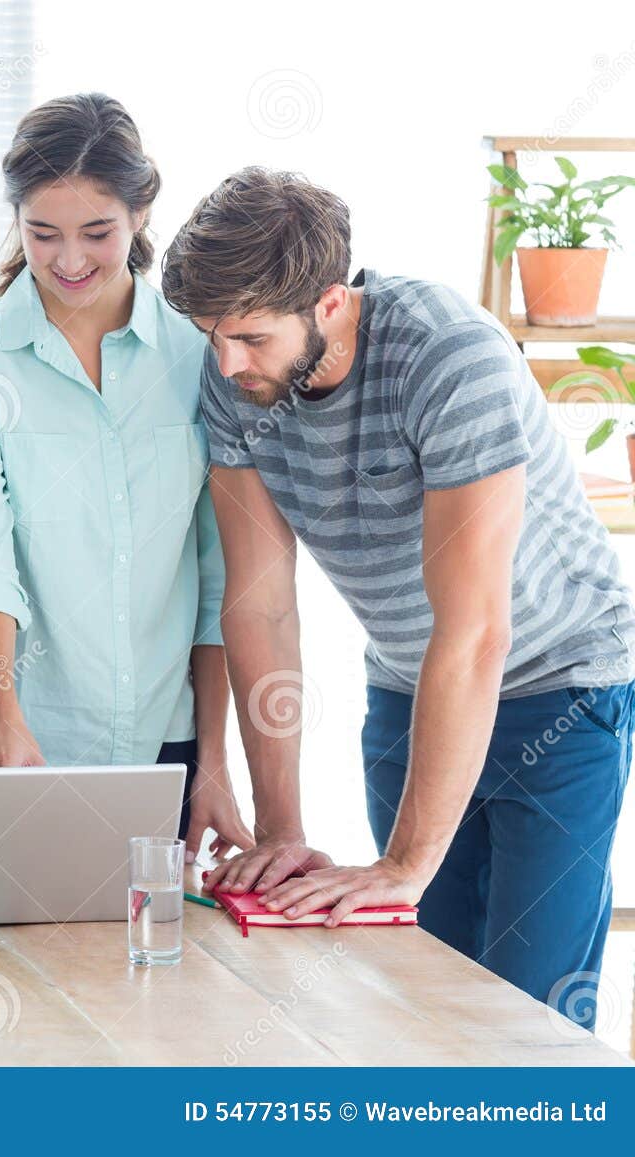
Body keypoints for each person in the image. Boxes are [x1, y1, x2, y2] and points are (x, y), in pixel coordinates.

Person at [161, 166, 635, 1026]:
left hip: (561, 686)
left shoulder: (449, 356)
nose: (227, 363)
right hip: (410, 687)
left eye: (251, 337)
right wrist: (281, 833)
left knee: (529, 1009)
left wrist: (406, 865)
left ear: (332, 304)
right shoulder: (234, 379)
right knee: (429, 991)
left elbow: (477, 628)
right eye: (210, 335)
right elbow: (261, 605)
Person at [0, 93, 251, 860]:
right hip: (19, 735)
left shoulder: (198, 355)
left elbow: (218, 575)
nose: (69, 260)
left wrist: (215, 757)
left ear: (141, 212)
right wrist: (3, 719)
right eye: (43, 234)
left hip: (161, 741)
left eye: (96, 233)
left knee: (151, 967)